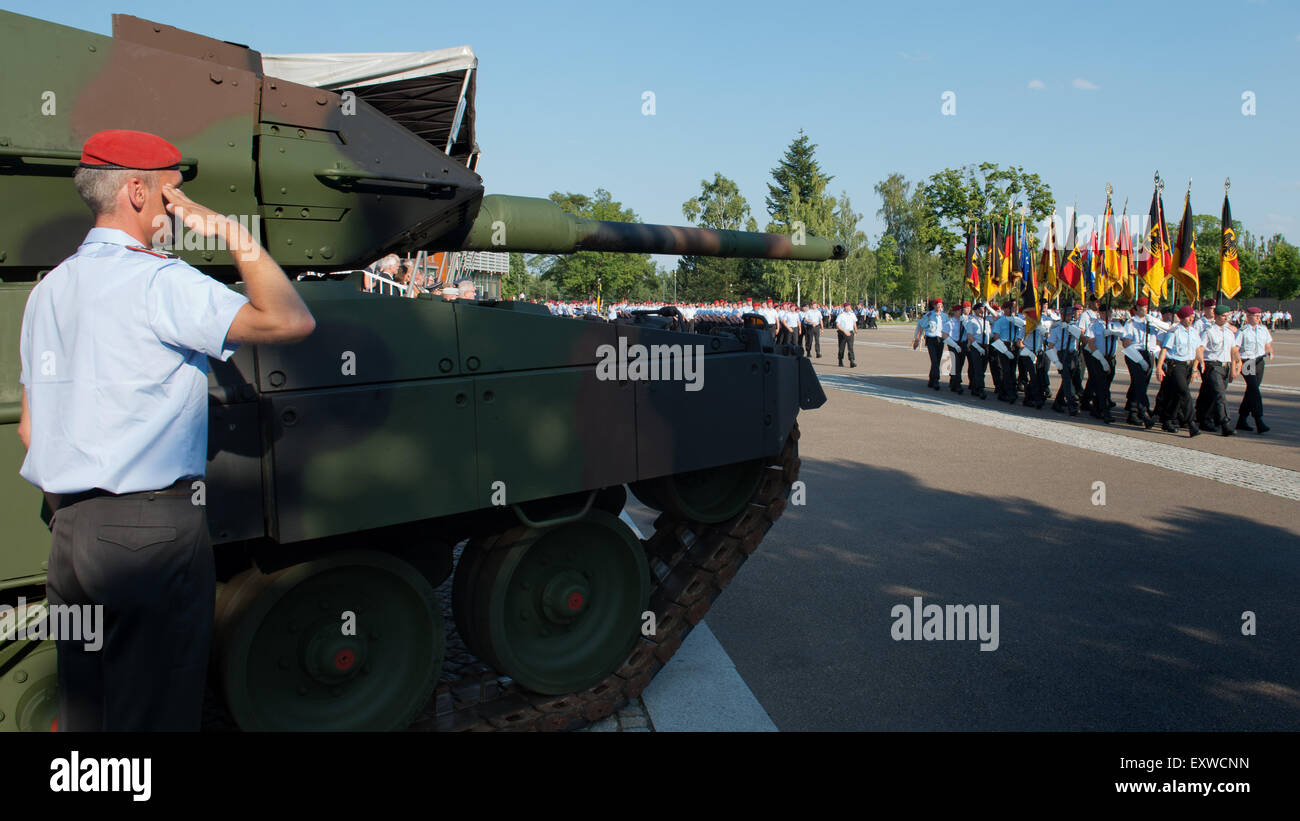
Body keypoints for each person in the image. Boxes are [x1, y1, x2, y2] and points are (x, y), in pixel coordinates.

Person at [16, 129, 315, 731]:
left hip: (71, 536)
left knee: (90, 711)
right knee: (153, 712)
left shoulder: (47, 290)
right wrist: (233, 233)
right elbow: (290, 318)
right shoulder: (158, 280)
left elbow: (30, 428)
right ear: (135, 190)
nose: (180, 213)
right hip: (149, 532)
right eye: (173, 197)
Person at [1155, 305, 1205, 436]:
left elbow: (1198, 349)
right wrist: (1159, 367)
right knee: (1184, 393)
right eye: (1189, 317)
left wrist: (1199, 365)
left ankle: (1167, 419)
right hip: (1176, 366)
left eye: (1193, 317)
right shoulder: (1174, 331)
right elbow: (1164, 349)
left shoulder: (1193, 332)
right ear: (1182, 317)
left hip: (1188, 366)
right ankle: (1191, 423)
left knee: (1176, 395)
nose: (1191, 319)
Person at [1118, 297, 1165, 427]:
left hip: (1148, 353)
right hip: (1134, 354)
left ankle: (1134, 408)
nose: (1145, 309)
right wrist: (1139, 359)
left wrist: (1155, 323)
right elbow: (1126, 343)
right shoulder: (1131, 323)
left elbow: (1161, 338)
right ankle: (1140, 412)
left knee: (1142, 383)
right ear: (1137, 308)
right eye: (1143, 306)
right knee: (1139, 383)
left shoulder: (1152, 322)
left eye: (1147, 306)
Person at [1195, 305, 1239, 435]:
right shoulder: (1208, 331)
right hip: (1212, 366)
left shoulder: (1229, 332)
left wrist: (1234, 368)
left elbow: (1233, 351)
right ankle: (1225, 422)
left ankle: (1204, 418)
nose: (1226, 318)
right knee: (1220, 394)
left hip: (1225, 366)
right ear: (1216, 316)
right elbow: (1200, 348)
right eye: (1223, 316)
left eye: (1227, 316)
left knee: (1211, 395)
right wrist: (1198, 365)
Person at [1235, 306, 1275, 433]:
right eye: (1255, 316)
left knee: (1252, 390)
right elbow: (1235, 348)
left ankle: (1242, 419)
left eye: (1259, 315)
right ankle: (1259, 420)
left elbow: (1268, 344)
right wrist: (1237, 363)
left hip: (1259, 361)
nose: (1258, 318)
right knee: (1254, 390)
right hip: (1247, 361)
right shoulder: (1242, 331)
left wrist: (1270, 351)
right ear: (1248, 316)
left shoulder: (1263, 329)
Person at [1083, 305, 1120, 424]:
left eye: (1110, 311)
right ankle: (1105, 412)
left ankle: (1096, 408)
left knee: (1107, 384)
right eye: (1105, 312)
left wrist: (1113, 331)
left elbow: (1124, 335)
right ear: (1100, 313)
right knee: (1101, 386)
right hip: (1099, 358)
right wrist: (1102, 360)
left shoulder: (1115, 324)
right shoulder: (1094, 325)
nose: (1108, 314)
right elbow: (1091, 343)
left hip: (1111, 358)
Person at [1048, 304, 1085, 416]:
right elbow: (1050, 345)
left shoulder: (1074, 326)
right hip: (1062, 354)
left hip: (1073, 354)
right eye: (1066, 315)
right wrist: (1056, 361)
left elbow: (1083, 339)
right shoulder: (1056, 327)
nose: (1068, 317)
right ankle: (1072, 405)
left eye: (1069, 315)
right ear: (1061, 315)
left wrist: (1071, 329)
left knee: (1070, 379)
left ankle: (1058, 403)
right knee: (1067, 380)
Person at [913, 298, 946, 389]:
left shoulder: (944, 316)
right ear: (934, 306)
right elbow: (922, 327)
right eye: (937, 304)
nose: (939, 306)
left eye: (940, 304)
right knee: (934, 360)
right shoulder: (928, 315)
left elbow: (947, 328)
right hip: (931, 340)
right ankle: (936, 380)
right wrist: (917, 340)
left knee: (937, 361)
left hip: (940, 340)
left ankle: (931, 379)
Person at [963, 301, 990, 399]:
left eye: (983, 309)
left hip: (986, 346)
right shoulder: (972, 321)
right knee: (978, 369)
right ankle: (980, 389)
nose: (982, 310)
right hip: (976, 345)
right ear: (975, 310)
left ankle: (975, 387)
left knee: (982, 369)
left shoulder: (986, 321)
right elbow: (969, 335)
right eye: (979, 309)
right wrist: (978, 347)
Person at [947, 301, 971, 394]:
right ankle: (957, 384)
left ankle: (953, 380)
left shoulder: (967, 319)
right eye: (958, 310)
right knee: (956, 363)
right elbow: (945, 334)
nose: (960, 312)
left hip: (963, 343)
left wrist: (964, 321)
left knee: (960, 363)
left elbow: (969, 330)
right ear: (955, 312)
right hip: (953, 343)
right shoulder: (951, 321)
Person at [835, 302, 857, 367]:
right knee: (841, 348)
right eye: (846, 307)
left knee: (850, 347)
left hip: (850, 332)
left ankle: (852, 361)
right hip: (842, 333)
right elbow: (838, 325)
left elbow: (854, 323)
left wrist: (856, 331)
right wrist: (844, 331)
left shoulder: (852, 314)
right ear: (844, 307)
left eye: (849, 306)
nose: (848, 308)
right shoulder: (841, 315)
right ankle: (840, 360)